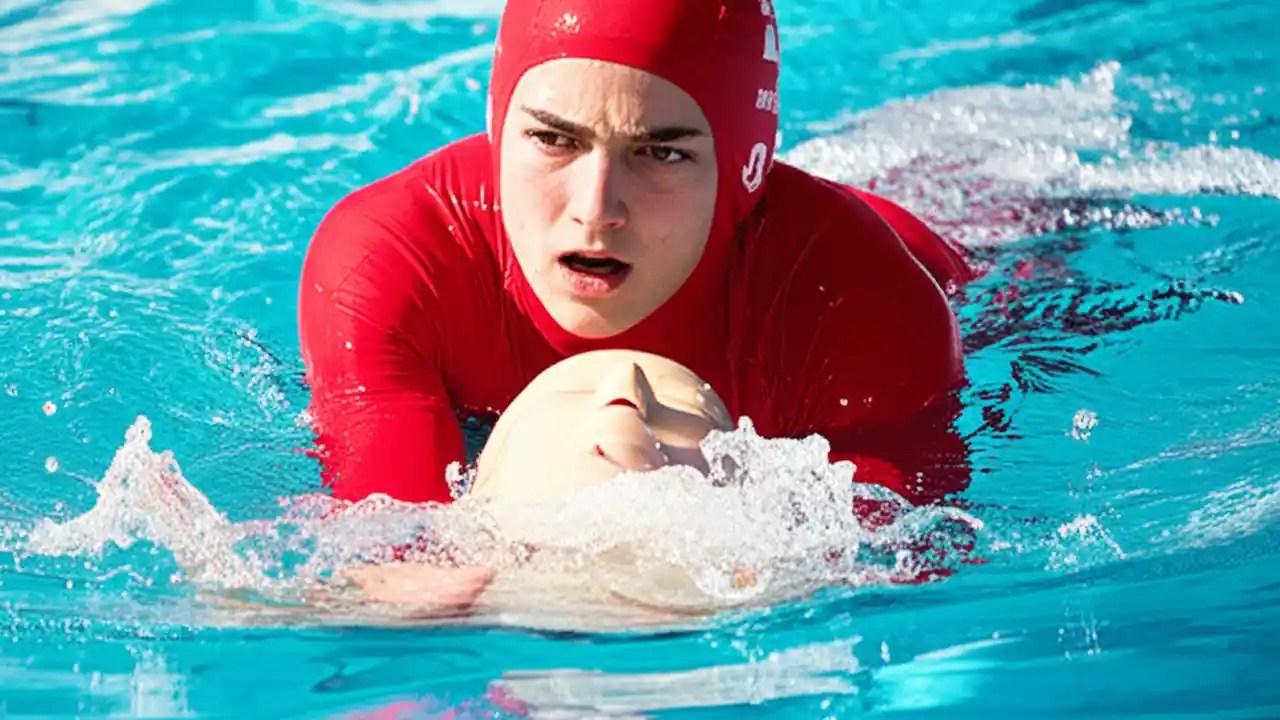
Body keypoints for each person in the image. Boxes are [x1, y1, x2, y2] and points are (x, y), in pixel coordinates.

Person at [297, 0, 980, 511]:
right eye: (554, 140)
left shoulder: (863, 305)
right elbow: (393, 578)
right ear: (498, 130)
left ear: (747, 171)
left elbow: (892, 589)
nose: (596, 209)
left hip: (961, 242)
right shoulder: (391, 263)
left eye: (661, 153)